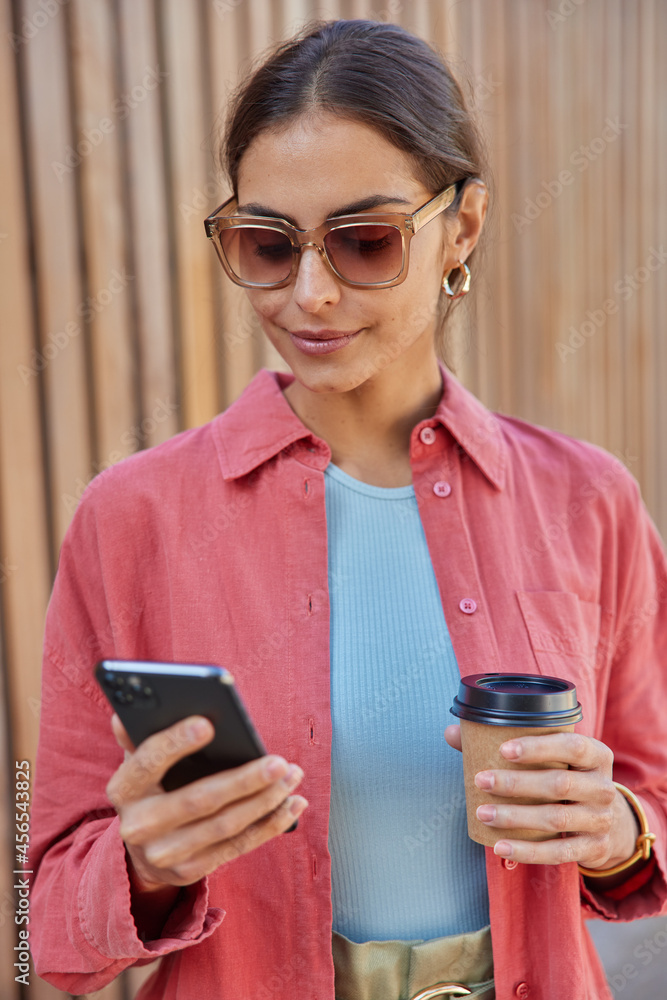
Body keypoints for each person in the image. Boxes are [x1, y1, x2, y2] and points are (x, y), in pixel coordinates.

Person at [30, 18, 666, 1000]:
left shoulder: (588, 502)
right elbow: (51, 928)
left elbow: (654, 795)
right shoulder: (132, 519)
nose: (310, 294)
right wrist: (144, 864)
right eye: (266, 243)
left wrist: (620, 830)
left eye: (364, 240)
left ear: (461, 227)